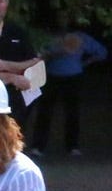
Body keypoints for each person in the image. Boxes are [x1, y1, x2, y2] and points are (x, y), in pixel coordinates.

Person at [33, 27, 102, 158]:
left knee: (72, 112)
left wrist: (83, 63)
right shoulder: (49, 37)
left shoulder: (80, 37)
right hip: (53, 76)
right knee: (45, 112)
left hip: (72, 77)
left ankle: (72, 145)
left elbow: (101, 52)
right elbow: (40, 54)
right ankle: (38, 146)